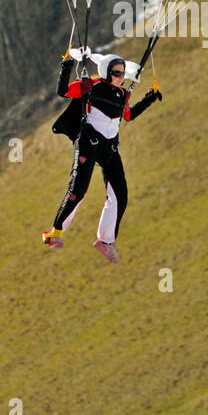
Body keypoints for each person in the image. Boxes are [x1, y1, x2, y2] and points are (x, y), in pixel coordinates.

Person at [42, 50, 162, 262]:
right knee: (78, 189)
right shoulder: (91, 86)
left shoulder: (122, 94)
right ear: (107, 72)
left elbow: (128, 115)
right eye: (116, 73)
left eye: (123, 73)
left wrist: (149, 99)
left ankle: (106, 240)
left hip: (109, 148)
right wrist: (66, 68)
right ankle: (55, 232)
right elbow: (63, 92)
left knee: (120, 194)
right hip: (88, 141)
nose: (121, 77)